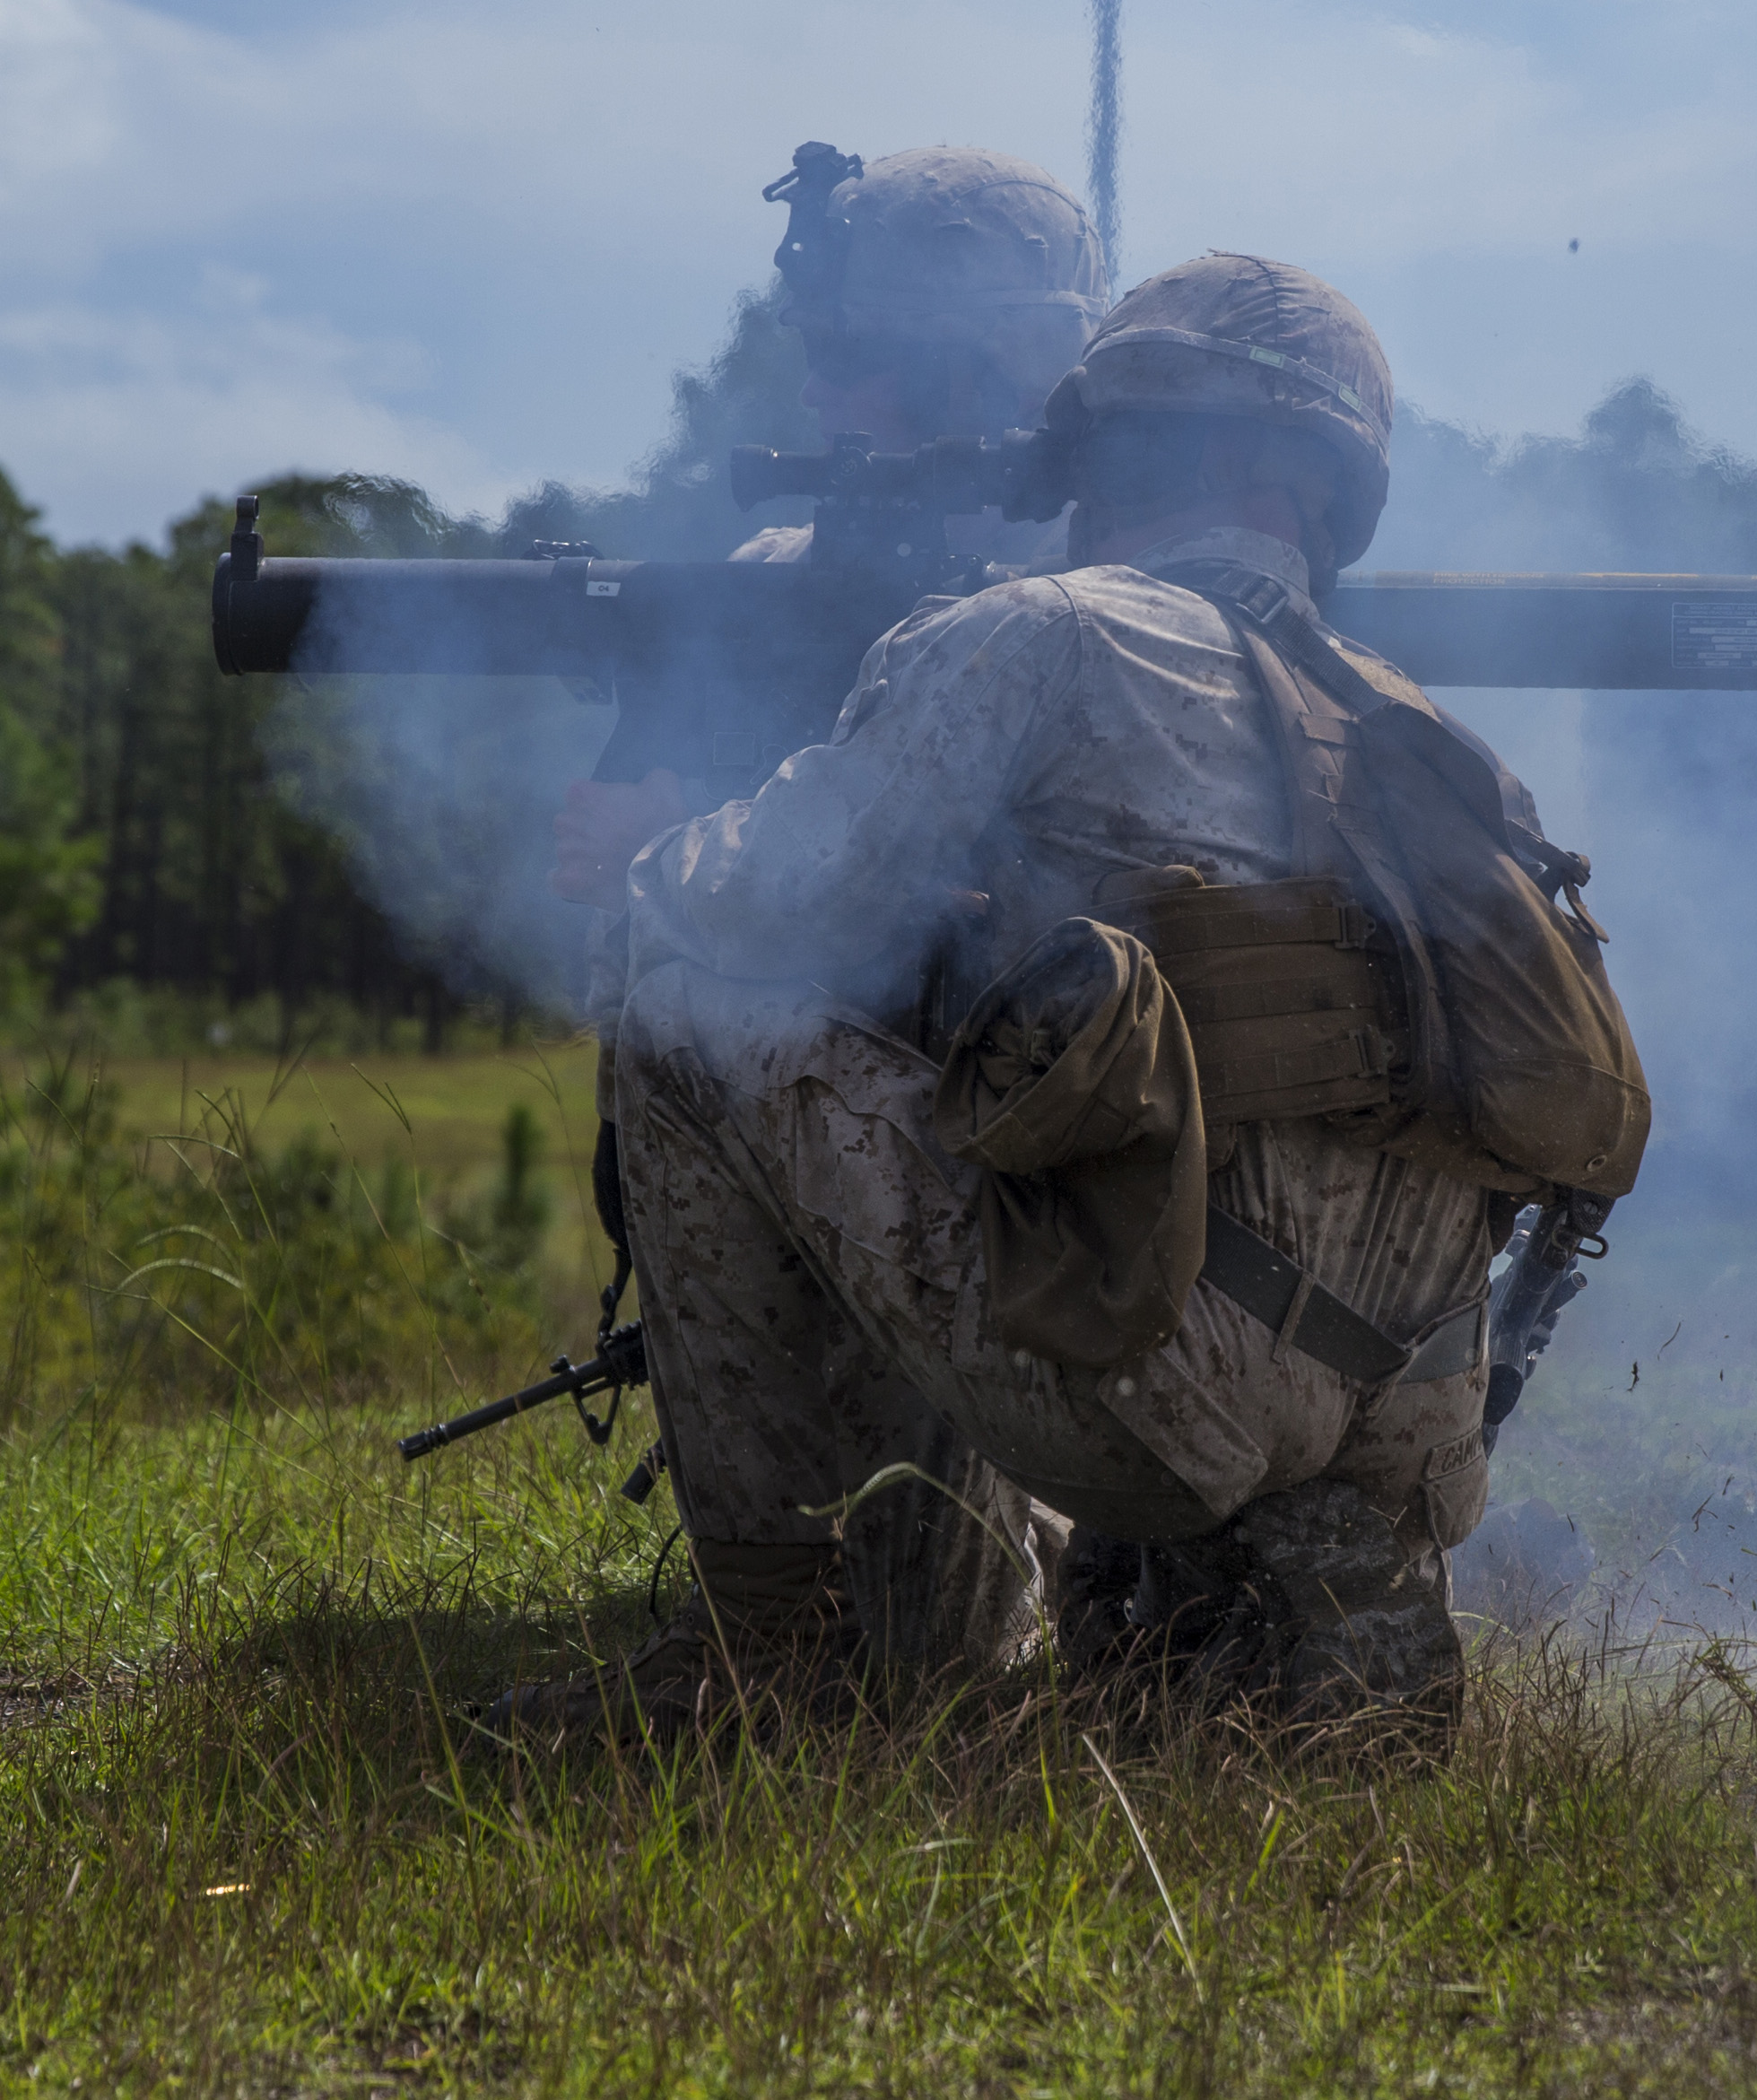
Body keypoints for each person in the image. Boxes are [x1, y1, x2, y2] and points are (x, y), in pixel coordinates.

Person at [503, 253, 1631, 1747]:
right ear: (1328, 491)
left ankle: (766, 1661)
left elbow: (769, 892)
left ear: (1153, 443)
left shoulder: (1042, 632)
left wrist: (660, 841)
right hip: (1412, 1423)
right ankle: (1222, 1587)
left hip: (1171, 1381)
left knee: (682, 982)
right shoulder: (1427, 733)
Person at [539, 143, 1107, 1695]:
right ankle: (808, 1581)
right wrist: (662, 830)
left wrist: (718, 857)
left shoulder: (1107, 604)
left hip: (1092, 1227)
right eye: (836, 353)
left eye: (894, 364)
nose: (846, 399)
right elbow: (615, 865)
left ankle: (953, 1571)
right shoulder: (771, 581)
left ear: (1016, 367)